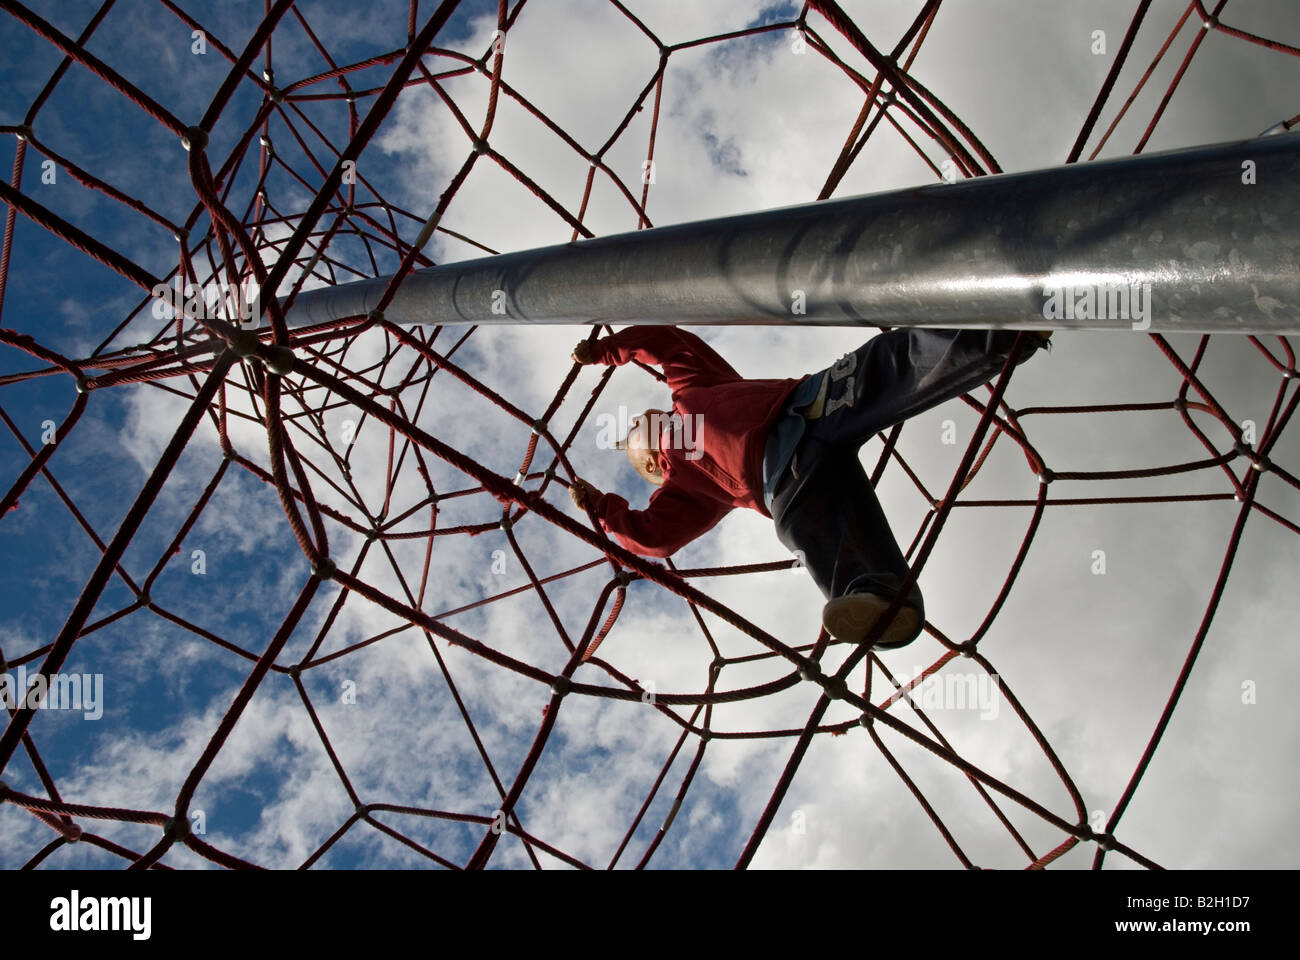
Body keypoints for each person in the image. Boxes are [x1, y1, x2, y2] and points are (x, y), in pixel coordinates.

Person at [568, 325, 1052, 649]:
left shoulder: (692, 390)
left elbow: (669, 343)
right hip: (784, 482)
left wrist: (609, 350)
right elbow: (652, 536)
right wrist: (602, 509)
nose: (652, 419)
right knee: (819, 533)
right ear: (652, 459)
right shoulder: (682, 489)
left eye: (648, 416)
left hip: (807, 404)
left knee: (889, 364)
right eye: (644, 427)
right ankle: (882, 602)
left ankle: (998, 331)